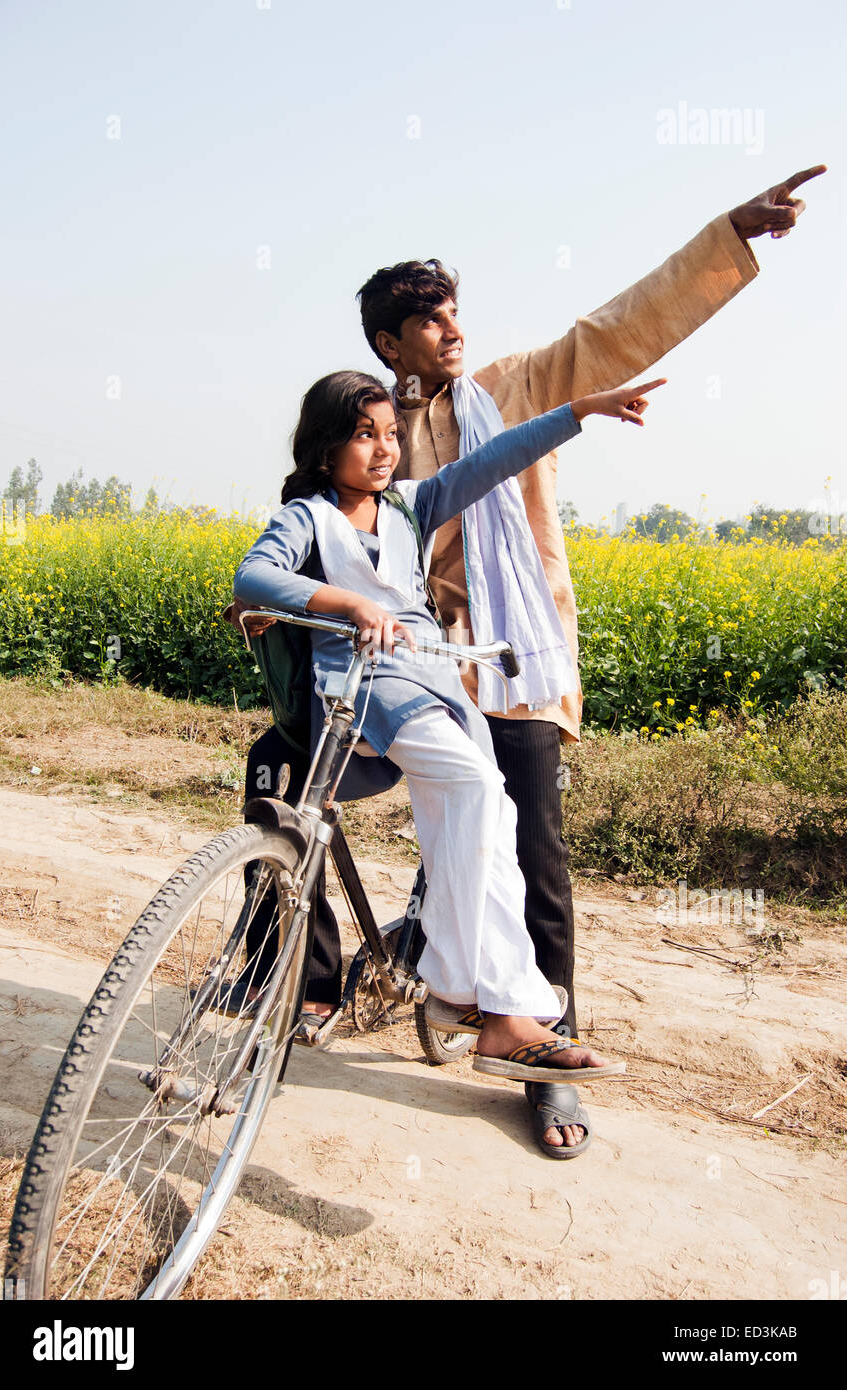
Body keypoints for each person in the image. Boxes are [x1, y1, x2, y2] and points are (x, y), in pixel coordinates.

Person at [239, 164, 826, 1154]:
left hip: (513, 664)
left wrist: (729, 236)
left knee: (534, 856)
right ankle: (298, 983)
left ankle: (543, 1051)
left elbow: (617, 331)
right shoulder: (368, 431)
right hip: (408, 677)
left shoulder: (510, 388)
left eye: (455, 312)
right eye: (429, 320)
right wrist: (281, 603)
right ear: (389, 344)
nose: (452, 330)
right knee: (276, 768)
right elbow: (310, 541)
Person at [232, 369, 666, 1116]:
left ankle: (481, 1003)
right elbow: (255, 575)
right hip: (365, 689)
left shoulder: (411, 507)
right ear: (325, 443)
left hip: (435, 686)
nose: (382, 450)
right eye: (364, 434)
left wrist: (580, 412)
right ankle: (478, 1003)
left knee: (489, 817)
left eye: (391, 435)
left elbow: (493, 460)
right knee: (472, 790)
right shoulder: (308, 516)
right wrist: (346, 600)